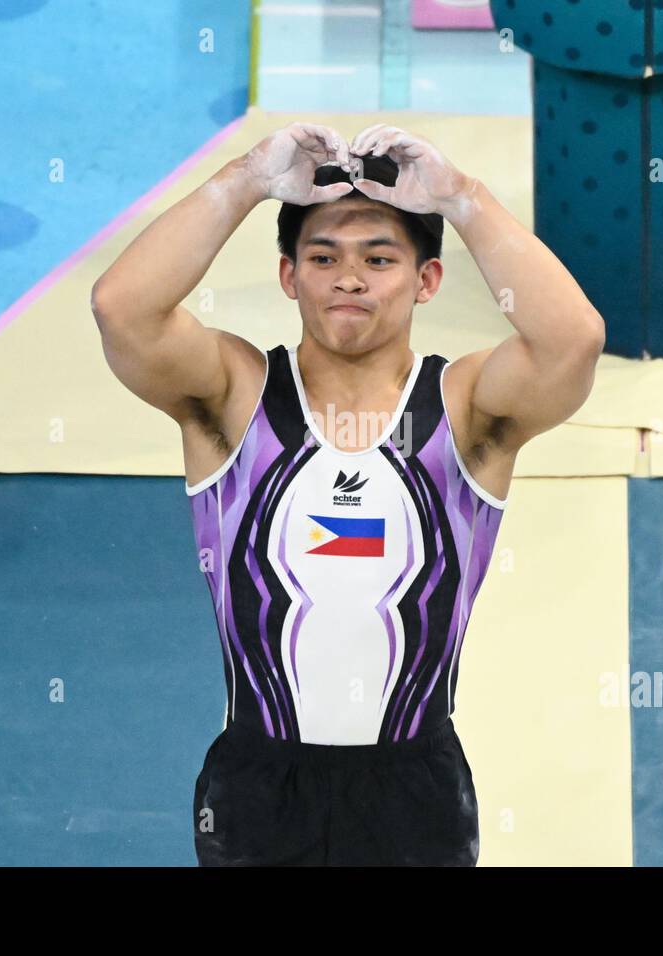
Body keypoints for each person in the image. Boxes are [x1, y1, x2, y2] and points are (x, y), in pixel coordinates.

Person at [90, 122, 605, 865]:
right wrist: (244, 179)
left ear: (428, 280)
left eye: (380, 259)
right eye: (323, 257)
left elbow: (573, 341)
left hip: (414, 790)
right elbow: (121, 309)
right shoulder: (236, 396)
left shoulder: (462, 411)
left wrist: (463, 197)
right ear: (288, 276)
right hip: (258, 785)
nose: (350, 278)